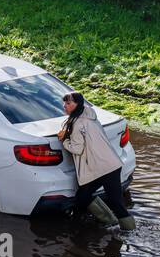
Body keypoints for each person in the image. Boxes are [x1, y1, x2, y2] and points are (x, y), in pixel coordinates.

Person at [58, 92, 135, 230]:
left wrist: (64, 139)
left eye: (69, 103)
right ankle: (113, 223)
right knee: (90, 197)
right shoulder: (90, 117)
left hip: (101, 168)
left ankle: (129, 231)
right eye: (64, 103)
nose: (65, 106)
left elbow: (77, 149)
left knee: (101, 200)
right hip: (109, 165)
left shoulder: (77, 124)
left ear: (78, 105)